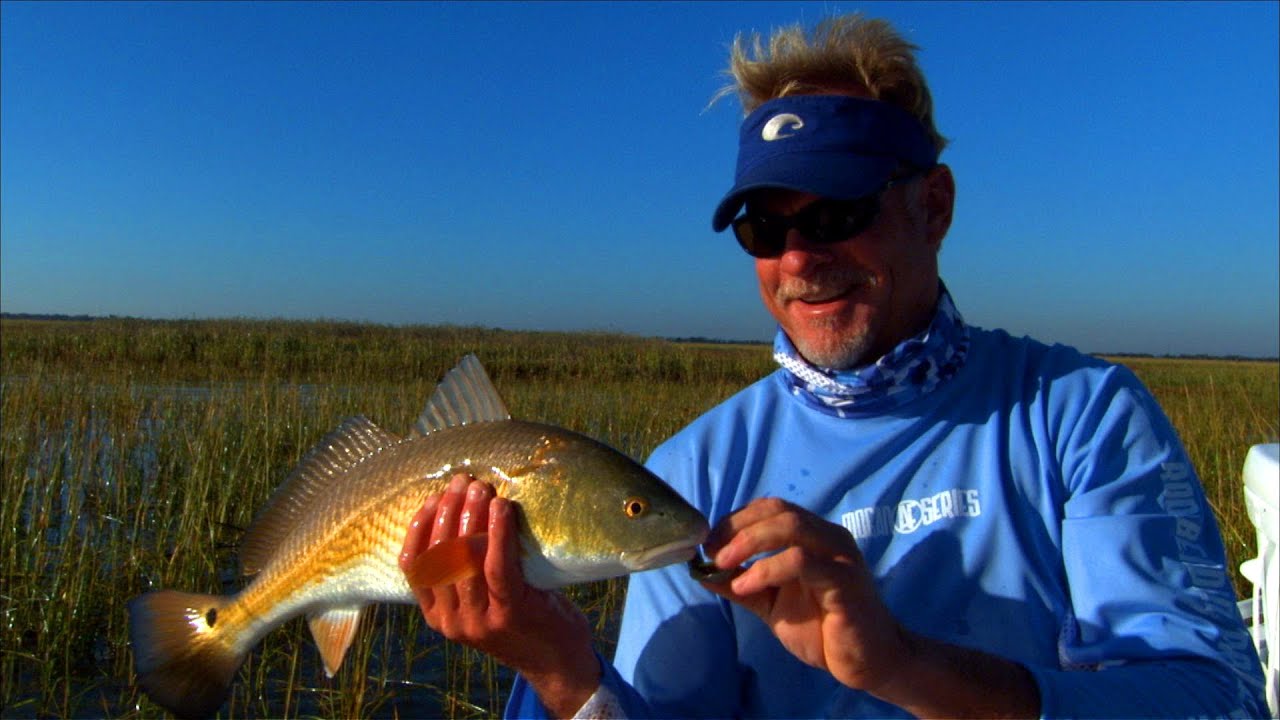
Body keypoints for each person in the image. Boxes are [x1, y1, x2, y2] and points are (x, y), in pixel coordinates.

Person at [399, 13, 1268, 718]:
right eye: (764, 228)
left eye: (836, 212)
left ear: (934, 205)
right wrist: (562, 673)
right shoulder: (694, 472)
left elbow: (1210, 698)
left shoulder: (1081, 417)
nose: (800, 259)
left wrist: (900, 665)